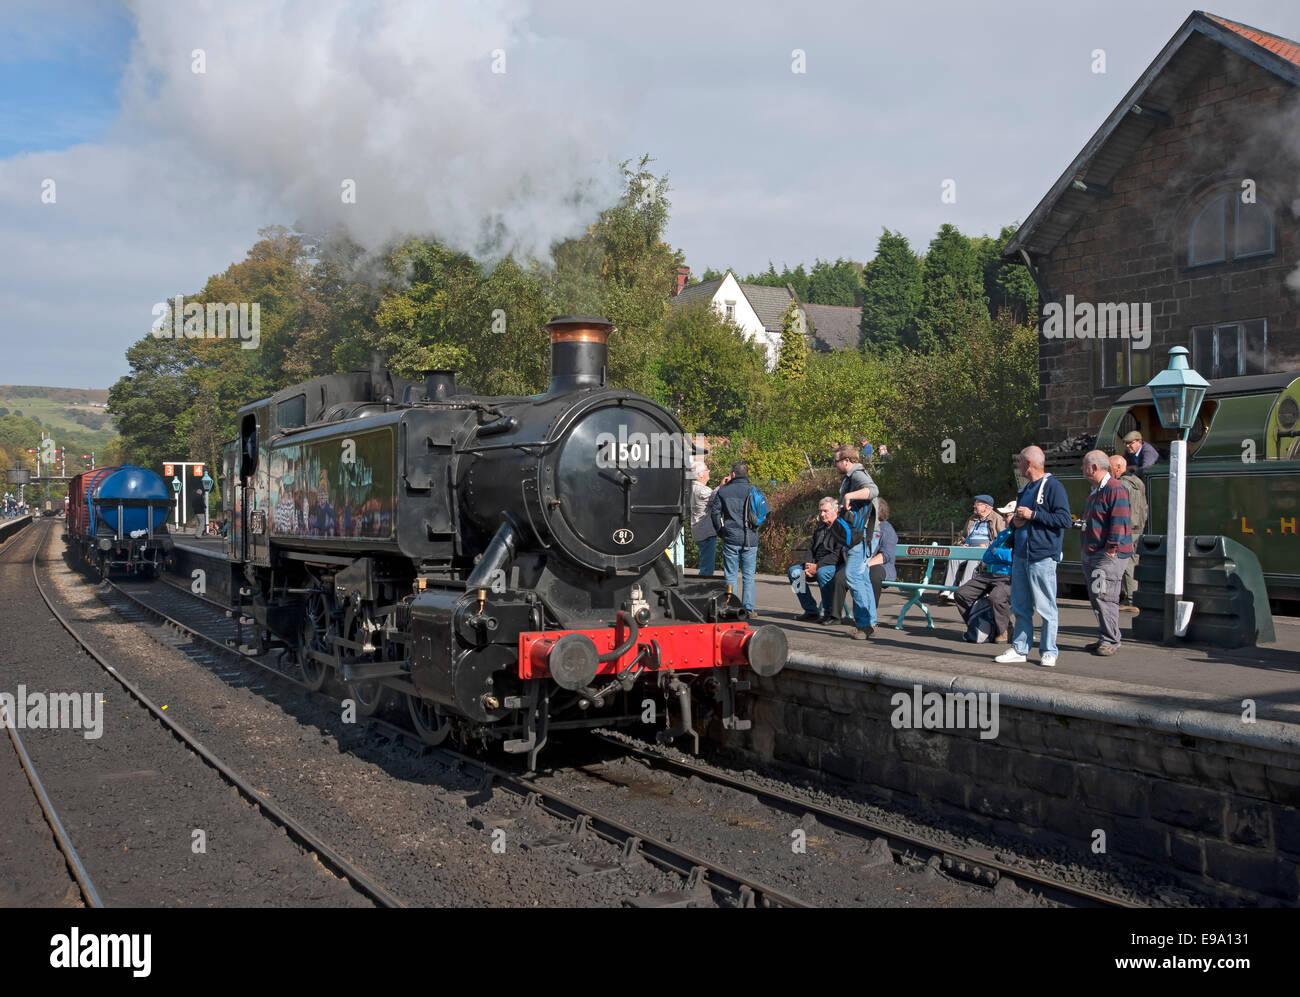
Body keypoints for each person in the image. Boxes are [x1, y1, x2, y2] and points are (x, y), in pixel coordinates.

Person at [995, 445, 1072, 667]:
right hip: (1021, 554)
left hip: (1042, 556)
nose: (1018, 465)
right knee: (1021, 605)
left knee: (1046, 607)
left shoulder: (1054, 487)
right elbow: (1024, 520)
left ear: (1028, 463)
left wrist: (1033, 514)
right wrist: (1018, 522)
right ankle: (1020, 648)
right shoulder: (1025, 489)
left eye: (1020, 461)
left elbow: (1064, 519)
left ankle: (1049, 651)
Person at [1080, 450, 1133, 655]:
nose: (1082, 470)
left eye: (1084, 466)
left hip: (1106, 554)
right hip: (1093, 550)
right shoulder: (1097, 489)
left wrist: (1111, 549)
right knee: (1097, 596)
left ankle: (1110, 640)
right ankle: (1105, 636)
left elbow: (1119, 521)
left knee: (1105, 596)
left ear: (1094, 467)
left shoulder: (1114, 488)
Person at [834, 445, 879, 639]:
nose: (835, 464)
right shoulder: (851, 477)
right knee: (862, 578)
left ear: (847, 461)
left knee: (852, 576)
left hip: (862, 536)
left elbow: (873, 490)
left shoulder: (858, 474)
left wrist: (849, 495)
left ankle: (864, 625)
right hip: (863, 535)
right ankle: (870, 622)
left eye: (836, 461)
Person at [709, 463, 760, 614]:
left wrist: (721, 531)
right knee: (749, 576)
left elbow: (715, 513)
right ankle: (748, 608)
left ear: (732, 475)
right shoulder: (754, 490)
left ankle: (732, 607)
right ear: (746, 474)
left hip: (731, 537)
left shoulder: (724, 491)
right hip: (751, 538)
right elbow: (763, 512)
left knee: (731, 574)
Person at [788, 497, 846, 621]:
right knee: (794, 572)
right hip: (815, 564)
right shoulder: (820, 527)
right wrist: (808, 564)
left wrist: (817, 566)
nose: (821, 514)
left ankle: (829, 613)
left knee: (823, 573)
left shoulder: (842, 528)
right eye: (820, 511)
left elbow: (837, 555)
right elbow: (810, 547)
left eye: (825, 511)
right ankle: (811, 611)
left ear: (835, 510)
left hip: (833, 565)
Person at [939, 495, 1006, 601]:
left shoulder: (997, 518)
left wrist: (988, 545)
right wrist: (962, 543)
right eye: (975, 503)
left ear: (987, 507)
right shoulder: (972, 518)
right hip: (969, 547)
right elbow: (964, 535)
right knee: (954, 558)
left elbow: (1002, 538)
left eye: (977, 504)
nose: (974, 506)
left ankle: (961, 590)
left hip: (984, 550)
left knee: (972, 561)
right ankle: (949, 588)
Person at [954, 526, 1013, 642]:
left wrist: (996, 551)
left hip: (1009, 576)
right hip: (989, 574)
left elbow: (1014, 557)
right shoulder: (1003, 533)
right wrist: (1000, 554)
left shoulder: (1022, 533)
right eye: (1005, 515)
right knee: (961, 594)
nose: (1005, 518)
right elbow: (986, 557)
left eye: (1008, 515)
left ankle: (1004, 630)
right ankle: (979, 627)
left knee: (996, 597)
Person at [1109, 453, 1147, 611]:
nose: (1108, 472)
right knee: (1134, 560)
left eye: (1109, 468)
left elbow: (1120, 509)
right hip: (1139, 526)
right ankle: (1132, 595)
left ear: (1118, 467)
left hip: (1127, 528)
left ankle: (1130, 599)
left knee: (1127, 563)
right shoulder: (1137, 482)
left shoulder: (1121, 485)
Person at [868, 497, 897, 609]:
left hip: (883, 567)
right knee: (838, 574)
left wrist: (865, 565)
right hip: (863, 565)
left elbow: (886, 555)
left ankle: (870, 615)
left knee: (873, 573)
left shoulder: (887, 529)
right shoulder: (864, 527)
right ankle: (832, 613)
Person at [690, 462, 717, 576]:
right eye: (706, 469)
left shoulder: (691, 488)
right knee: (707, 569)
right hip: (706, 532)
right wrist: (722, 486)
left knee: (704, 564)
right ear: (700, 474)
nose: (709, 471)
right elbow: (718, 499)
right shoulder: (702, 490)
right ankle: (702, 589)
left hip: (698, 530)